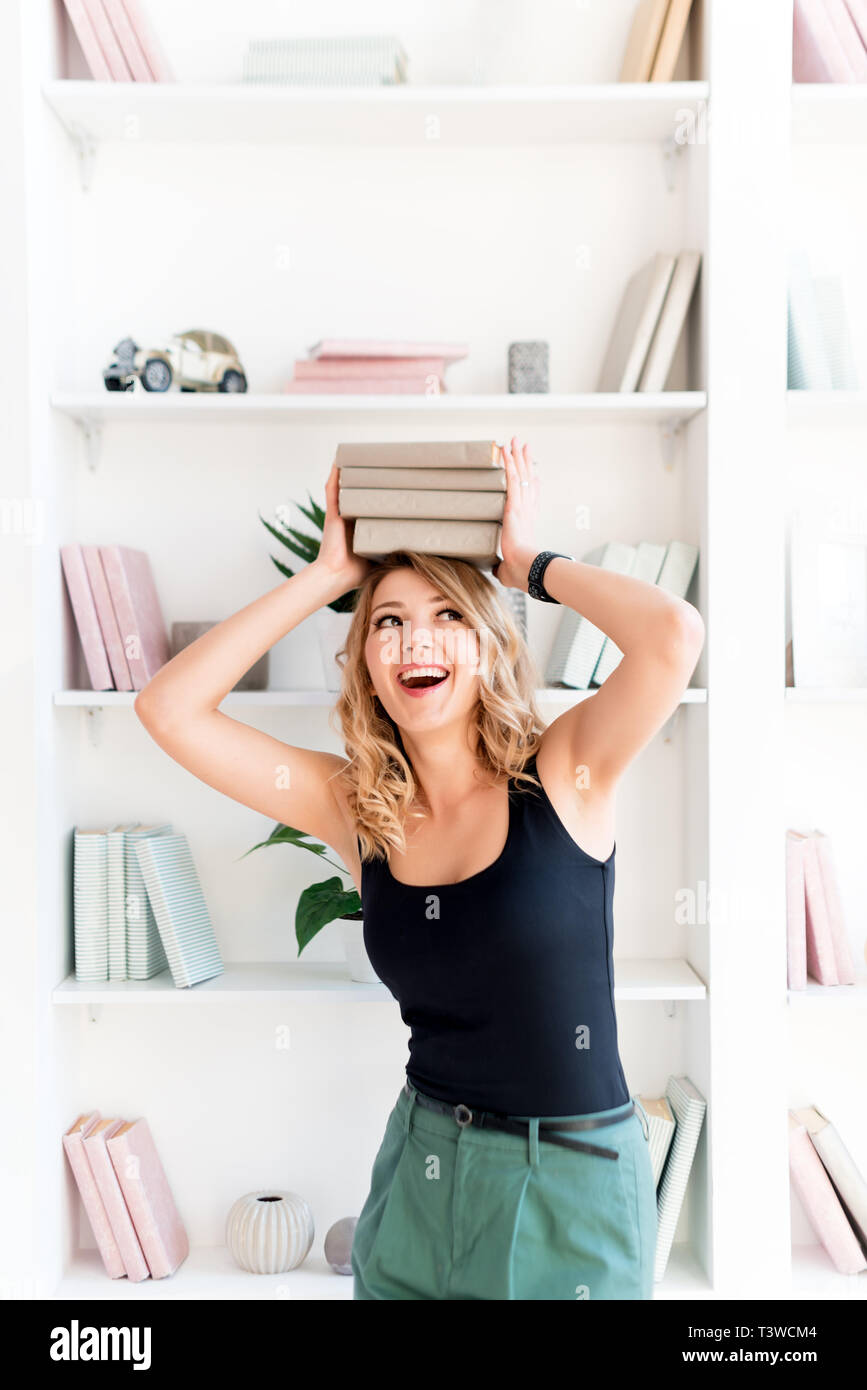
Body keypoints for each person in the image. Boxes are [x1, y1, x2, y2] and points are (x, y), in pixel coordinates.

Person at [134, 434, 704, 1300]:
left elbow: (672, 635)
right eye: (389, 622)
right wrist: (330, 576)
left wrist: (524, 564)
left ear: (484, 648)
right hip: (421, 1167)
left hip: (569, 1181)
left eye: (446, 617)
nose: (414, 642)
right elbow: (167, 708)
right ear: (365, 659)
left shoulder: (564, 775)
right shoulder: (354, 808)